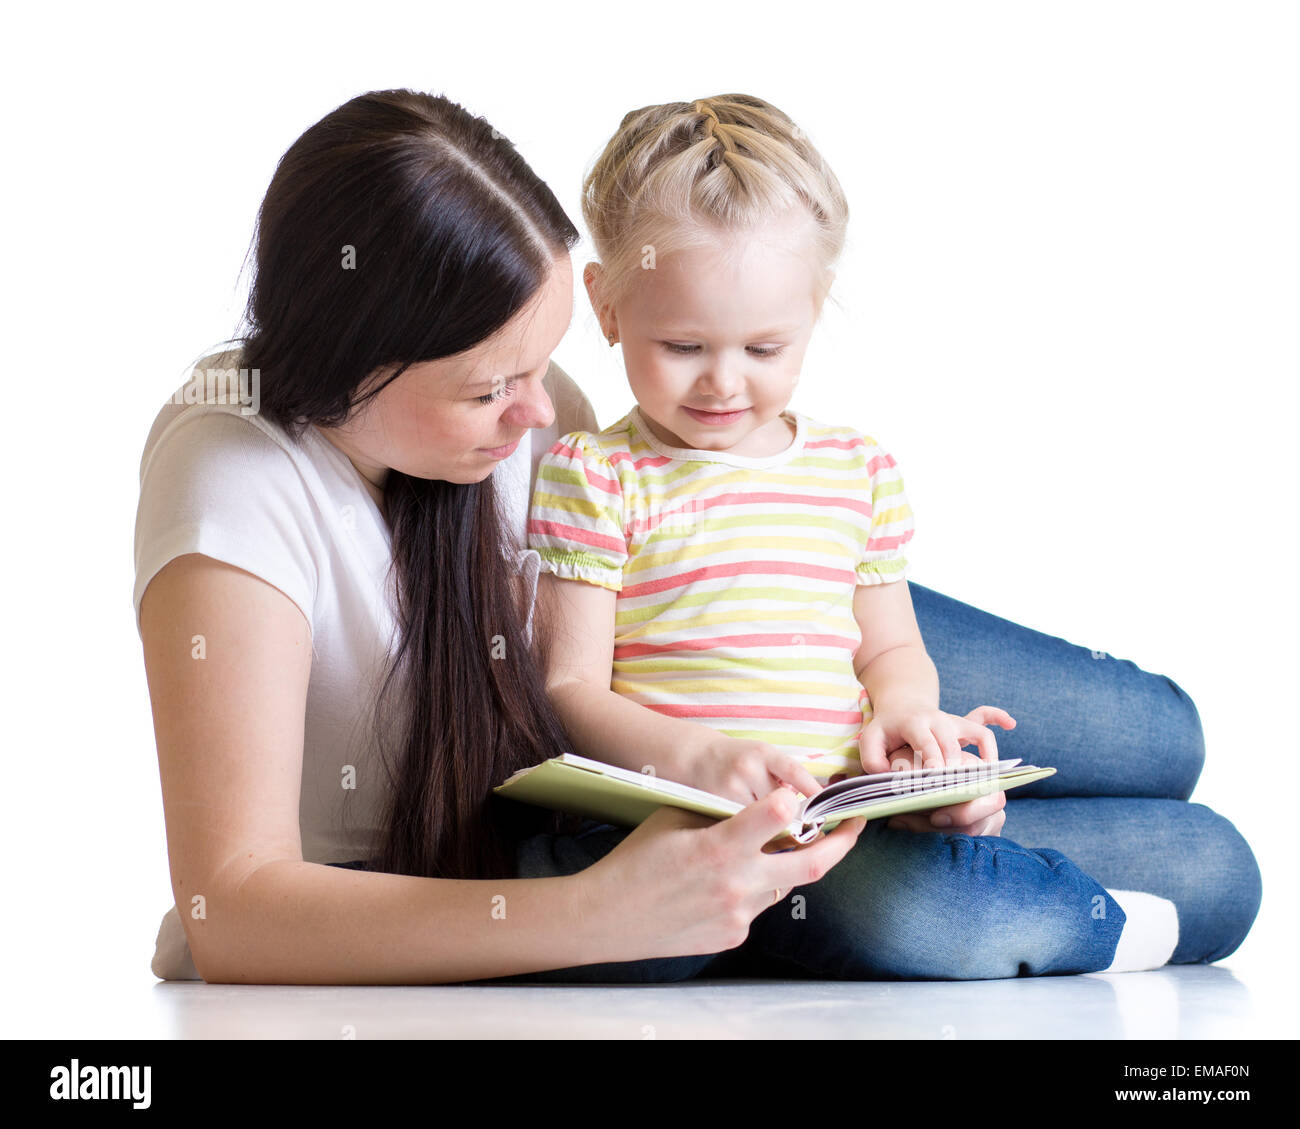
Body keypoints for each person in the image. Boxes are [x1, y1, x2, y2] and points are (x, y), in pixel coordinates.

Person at [136, 89, 1259, 985]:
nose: (545, 418)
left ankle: (965, 819)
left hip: (748, 618)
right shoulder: (234, 471)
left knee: (1161, 737)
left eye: (546, 362)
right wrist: (592, 912)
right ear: (353, 366)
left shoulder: (542, 421)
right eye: (491, 391)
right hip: (652, 732)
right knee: (1210, 871)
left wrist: (911, 728)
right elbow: (226, 906)